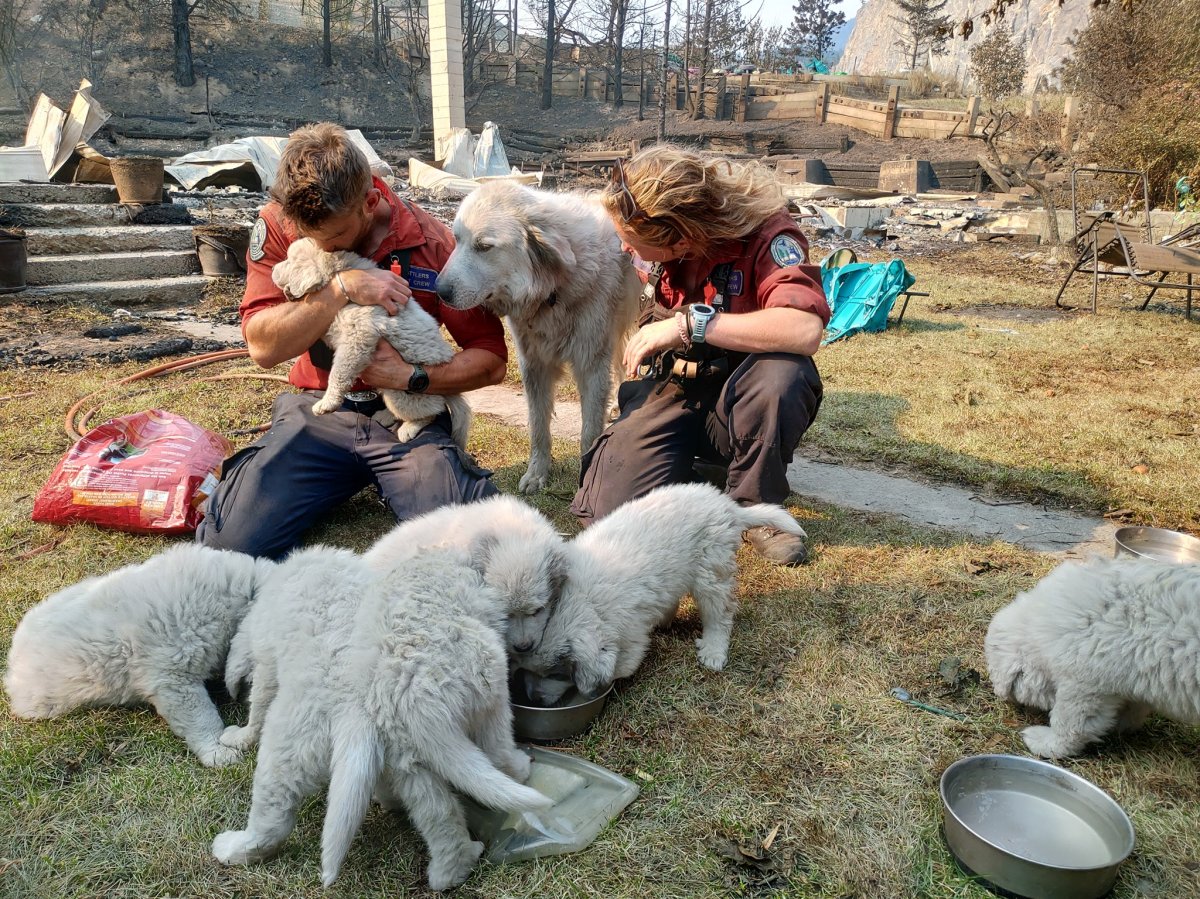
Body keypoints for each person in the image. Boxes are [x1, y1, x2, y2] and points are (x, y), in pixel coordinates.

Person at [196, 123, 507, 560]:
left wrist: (411, 376)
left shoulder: (432, 242)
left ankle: (403, 481)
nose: (319, 247)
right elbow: (263, 347)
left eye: (336, 239)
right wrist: (340, 288)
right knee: (229, 546)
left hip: (402, 416)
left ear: (370, 202)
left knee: (468, 547)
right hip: (318, 410)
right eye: (309, 238)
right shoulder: (280, 223)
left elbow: (492, 360)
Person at [569, 144, 830, 566]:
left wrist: (688, 324)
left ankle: (756, 506)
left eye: (630, 242)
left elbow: (804, 329)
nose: (623, 249)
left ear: (682, 237)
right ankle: (691, 477)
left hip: (740, 396)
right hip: (672, 389)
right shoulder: (655, 247)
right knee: (609, 512)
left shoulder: (768, 236)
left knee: (784, 374)